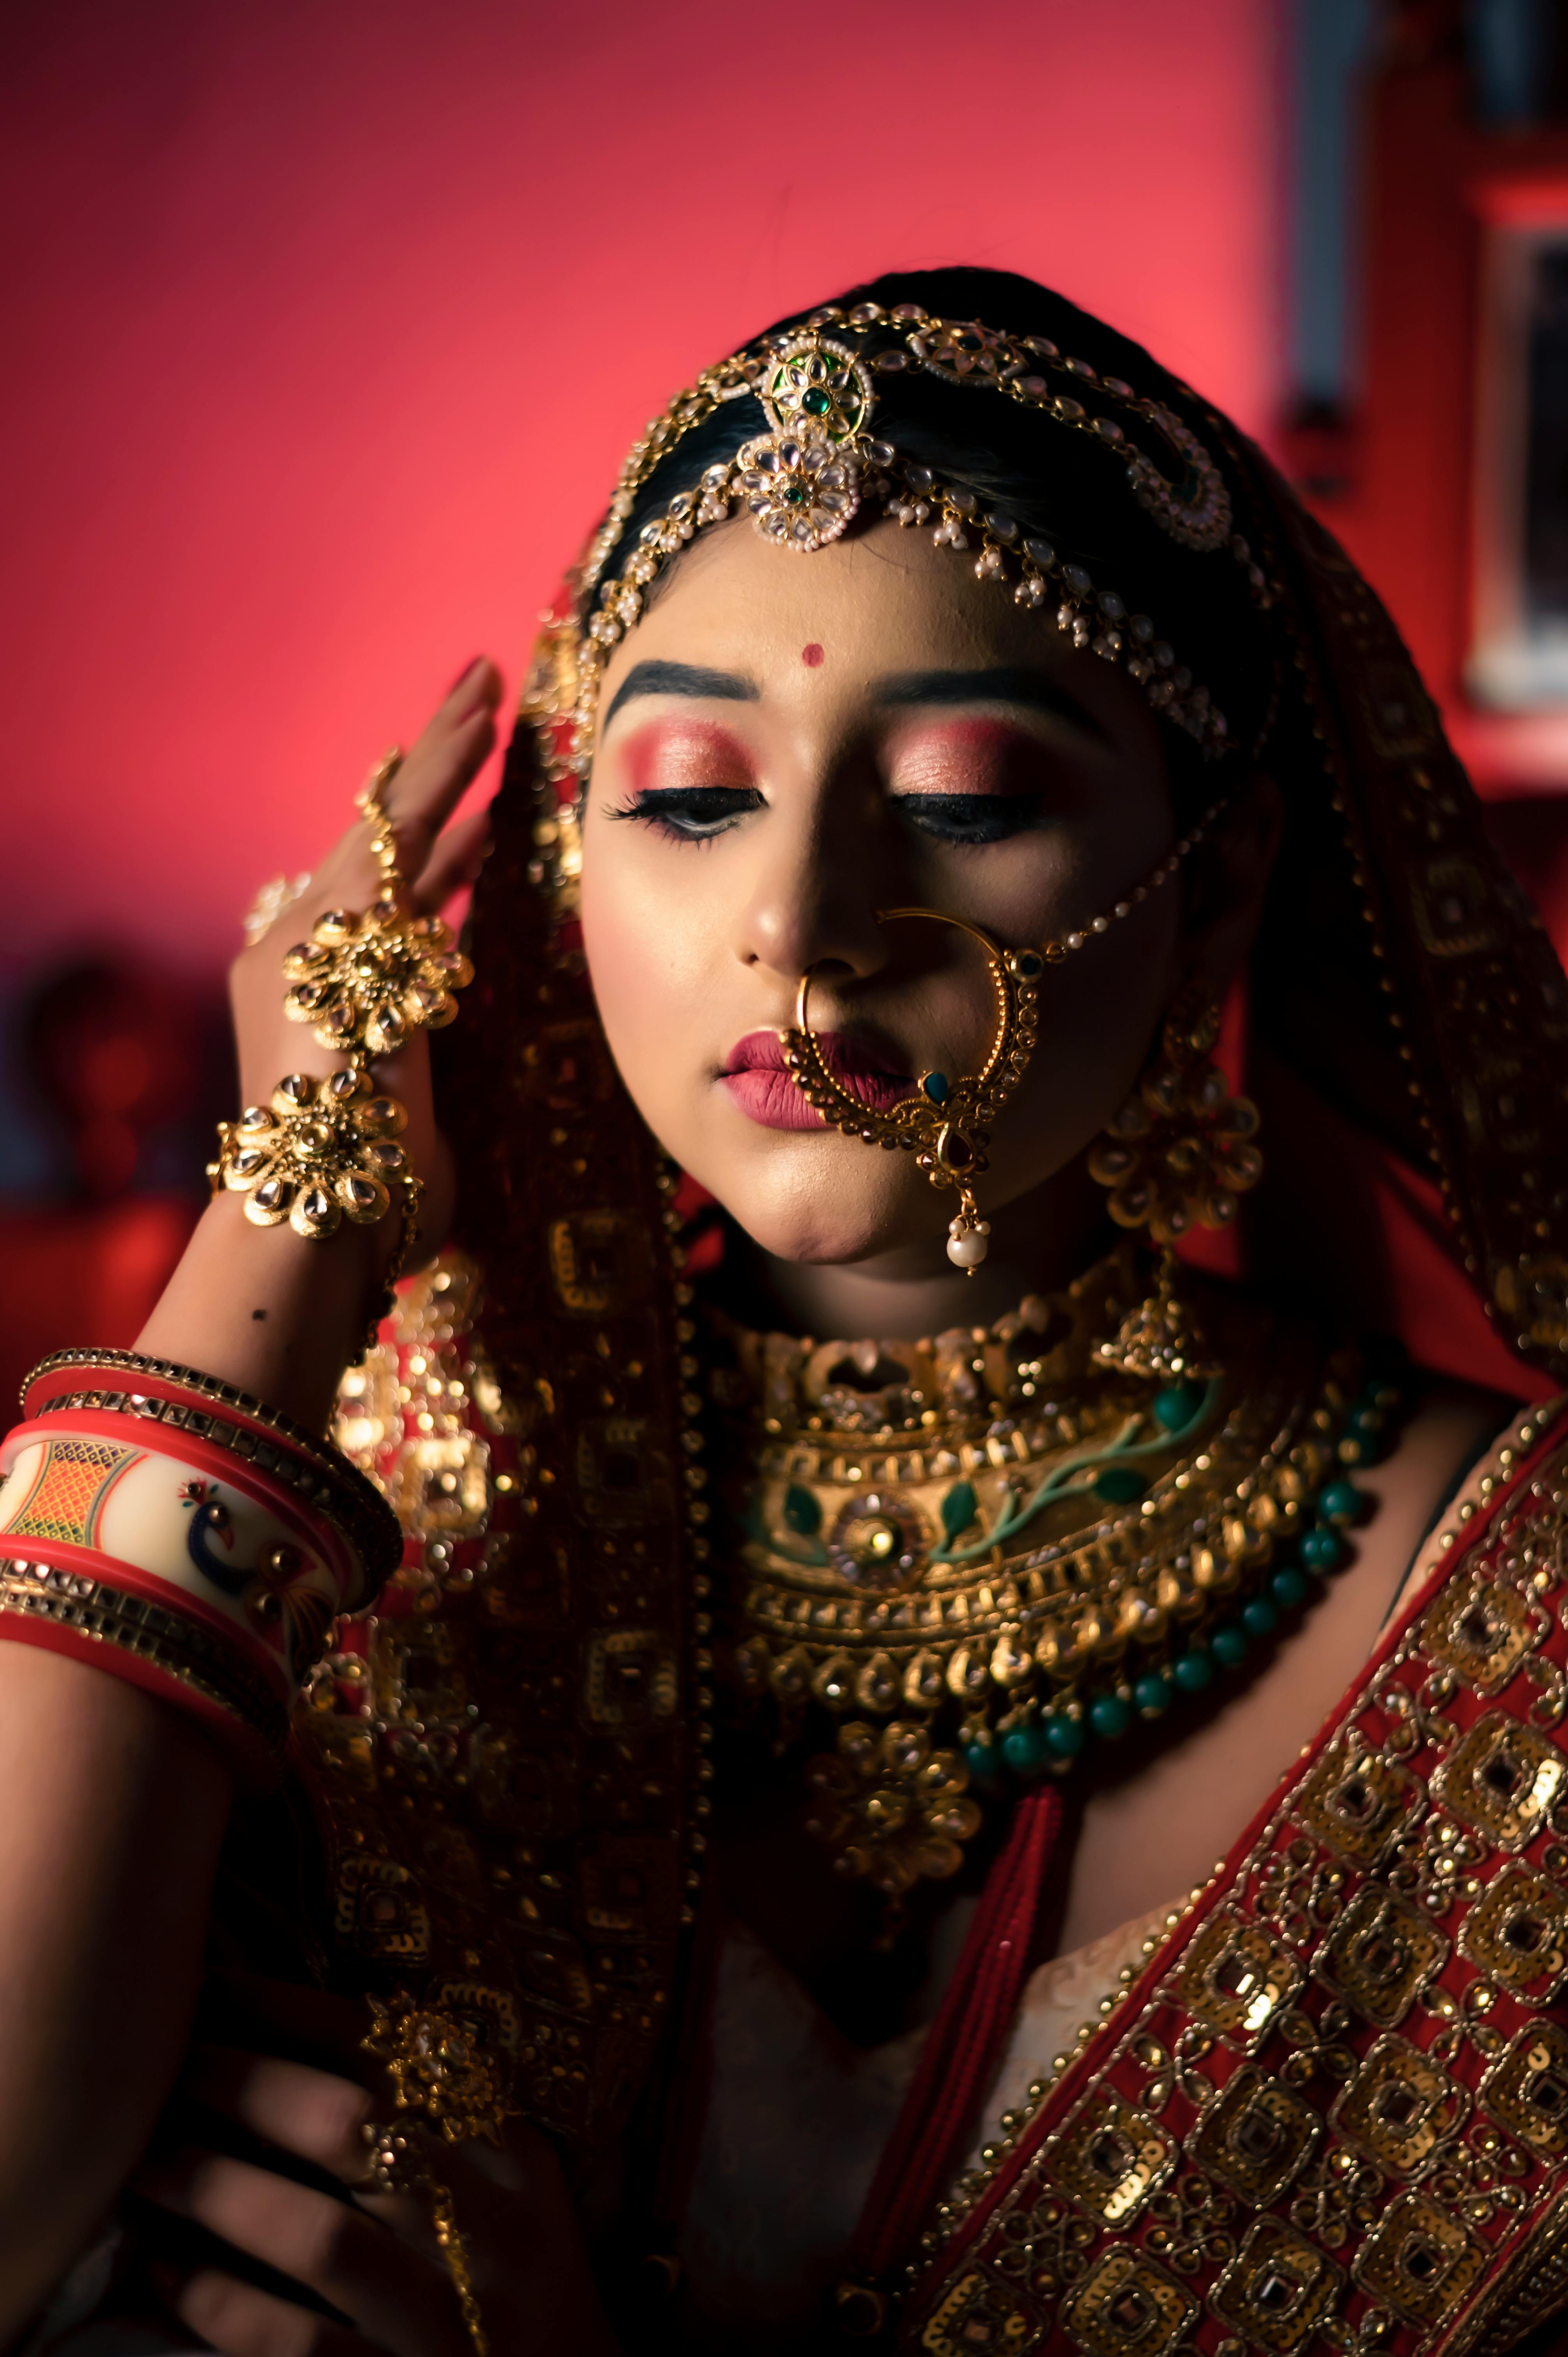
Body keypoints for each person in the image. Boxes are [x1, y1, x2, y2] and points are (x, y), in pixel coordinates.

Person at [3, 265, 1568, 2357]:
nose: (801, 922)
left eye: (963, 798)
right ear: (566, 856)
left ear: (1212, 887)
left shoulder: (1512, 1616)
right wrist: (292, 1204)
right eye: (686, 794)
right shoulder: (366, 1562)